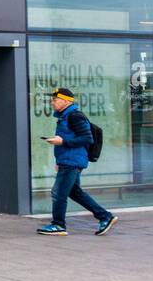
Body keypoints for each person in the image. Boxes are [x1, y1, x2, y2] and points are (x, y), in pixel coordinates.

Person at [37, 87, 115, 237]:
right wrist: (59, 158)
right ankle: (104, 216)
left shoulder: (74, 116)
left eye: (55, 99)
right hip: (68, 160)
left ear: (66, 101)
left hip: (72, 161)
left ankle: (58, 225)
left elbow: (87, 138)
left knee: (58, 193)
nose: (52, 102)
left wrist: (62, 141)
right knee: (75, 192)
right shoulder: (66, 116)